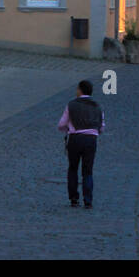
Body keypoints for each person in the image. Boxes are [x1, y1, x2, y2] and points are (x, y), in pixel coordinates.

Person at [56, 79, 104, 209]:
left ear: (80, 90)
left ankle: (74, 199)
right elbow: (101, 127)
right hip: (91, 140)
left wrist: (67, 129)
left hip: (75, 138)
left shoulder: (71, 105)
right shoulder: (97, 106)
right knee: (88, 171)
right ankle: (88, 200)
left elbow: (61, 124)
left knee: (73, 168)